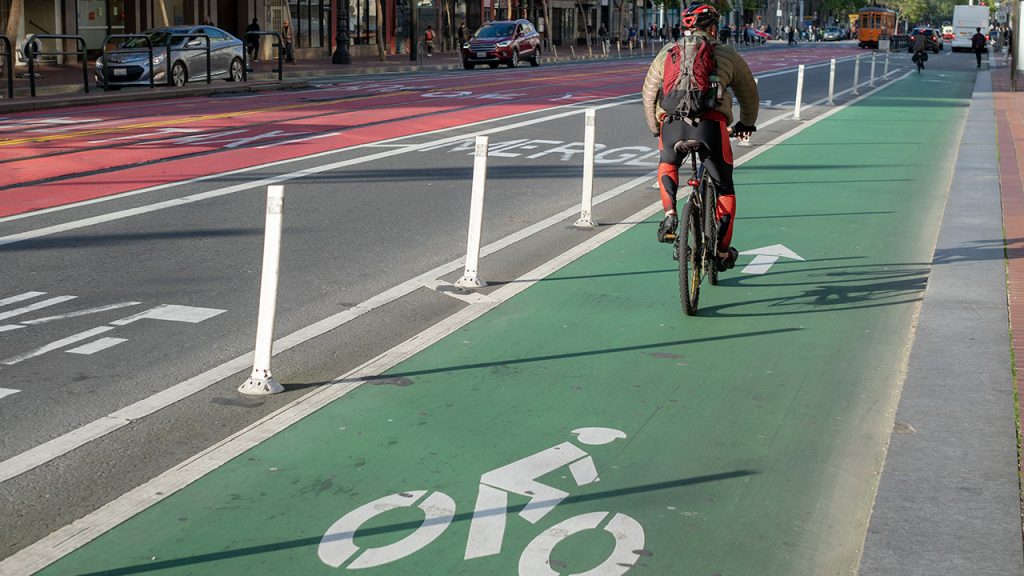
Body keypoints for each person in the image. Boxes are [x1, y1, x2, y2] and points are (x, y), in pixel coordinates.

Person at [641, 3, 759, 272]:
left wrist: (656, 127)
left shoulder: (667, 52)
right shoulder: (726, 53)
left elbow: (648, 93)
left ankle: (670, 214)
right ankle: (721, 253)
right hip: (711, 127)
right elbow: (749, 93)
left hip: (672, 125)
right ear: (713, 28)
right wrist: (746, 123)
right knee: (724, 188)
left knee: (668, 164)